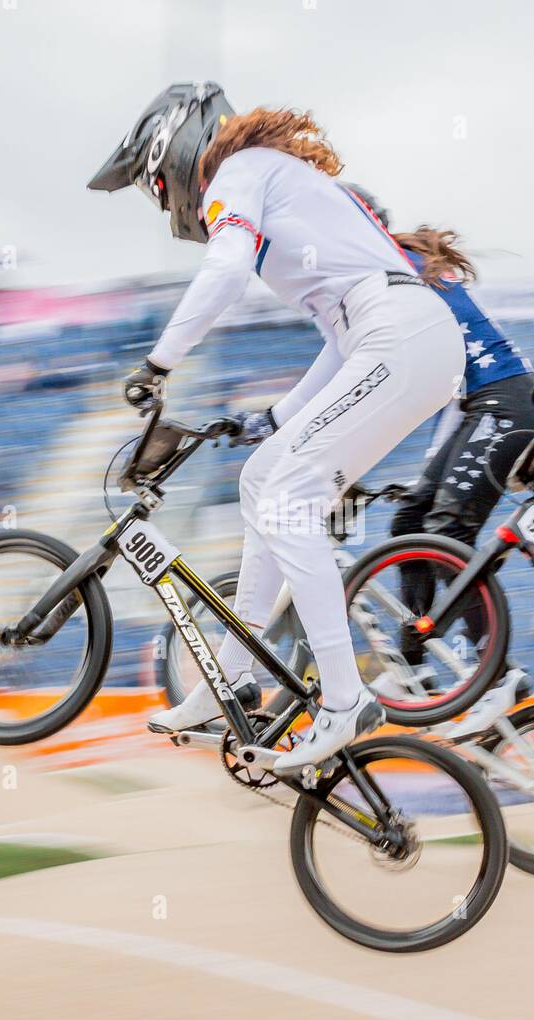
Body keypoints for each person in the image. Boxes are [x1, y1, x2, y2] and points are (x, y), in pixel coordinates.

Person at [88, 83, 464, 771]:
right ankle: (233, 673)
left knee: (290, 499)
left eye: (153, 181)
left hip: (402, 338)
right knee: (263, 475)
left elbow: (226, 270)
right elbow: (340, 336)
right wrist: (278, 417)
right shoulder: (267, 175)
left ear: (175, 151)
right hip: (399, 337)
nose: (159, 197)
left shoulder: (237, 173)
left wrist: (159, 360)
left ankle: (346, 700)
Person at [342, 186, 534, 719]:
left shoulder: (391, 271)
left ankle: (500, 675)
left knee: (448, 534)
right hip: (483, 403)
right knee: (413, 518)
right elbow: (441, 393)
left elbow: (383, 379)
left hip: (504, 402)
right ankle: (414, 664)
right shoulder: (396, 264)